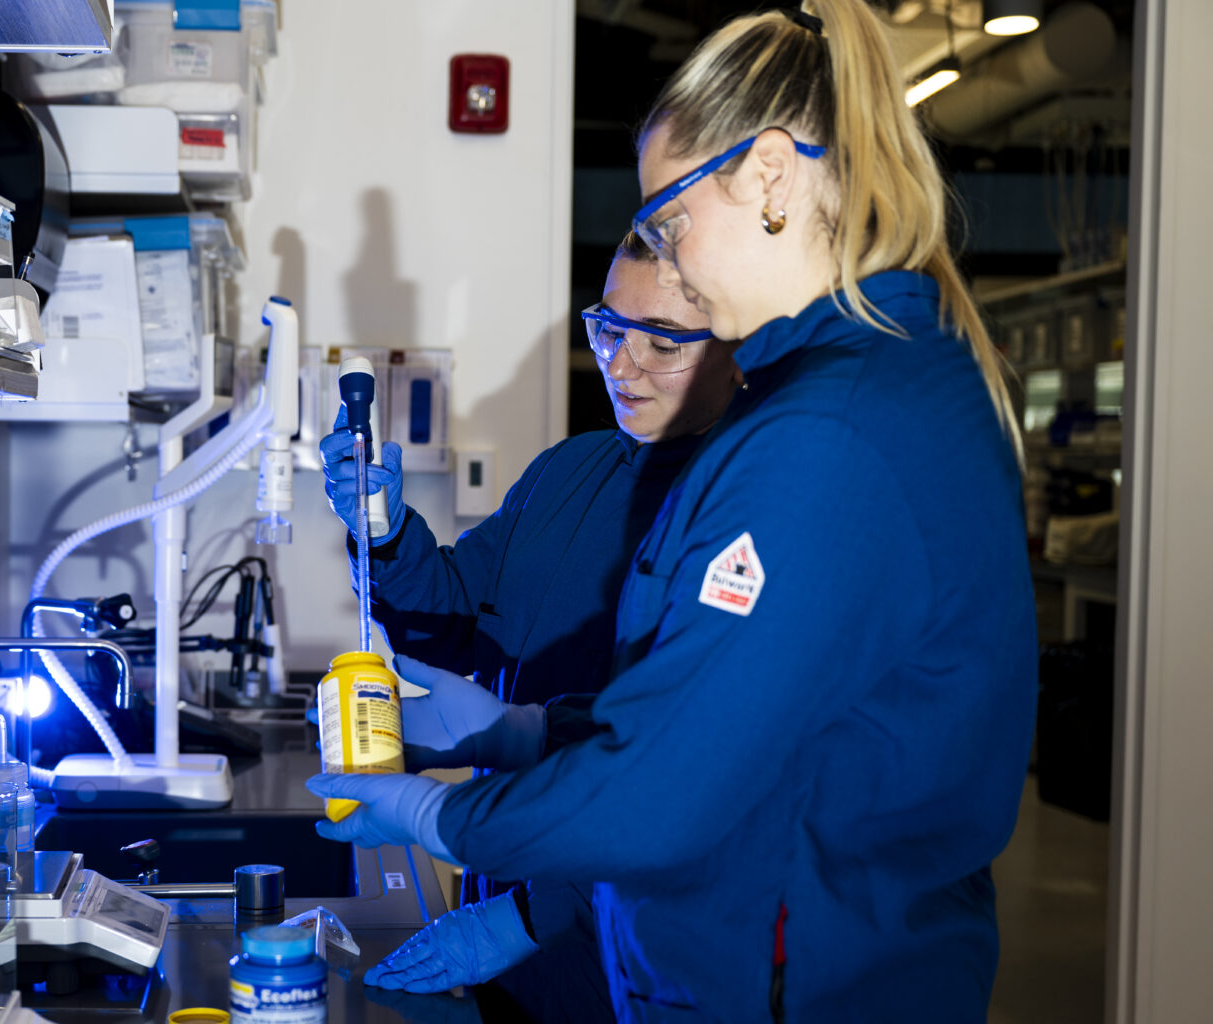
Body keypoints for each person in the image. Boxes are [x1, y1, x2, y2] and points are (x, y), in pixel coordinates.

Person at [307, 2, 1037, 1021]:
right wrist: (518, 730)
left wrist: (443, 815)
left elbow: (663, 792)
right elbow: (747, 718)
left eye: (672, 221)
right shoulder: (894, 388)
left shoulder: (825, 440)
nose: (674, 263)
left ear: (772, 178)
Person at [317, 236, 741, 1018]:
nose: (620, 364)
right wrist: (380, 530)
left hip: (627, 944)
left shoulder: (742, 513)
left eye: (661, 342)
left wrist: (532, 915)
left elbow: (702, 776)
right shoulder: (570, 471)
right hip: (503, 888)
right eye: (608, 330)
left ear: (736, 345)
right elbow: (452, 617)